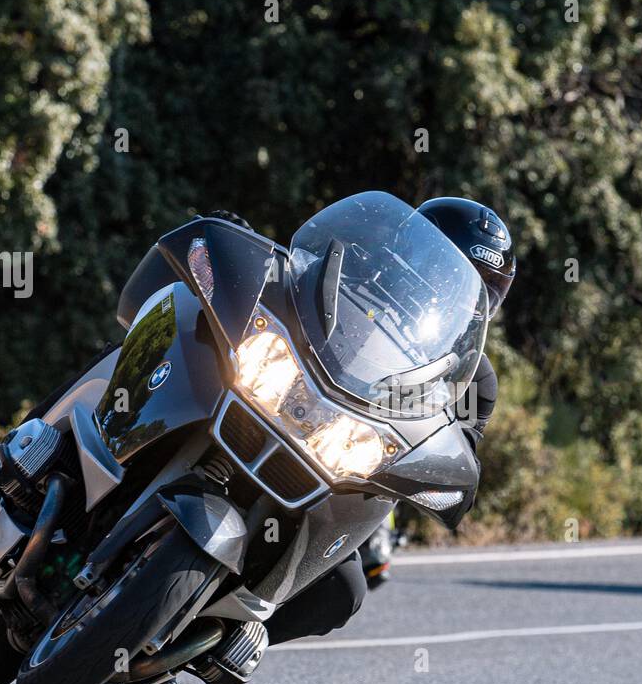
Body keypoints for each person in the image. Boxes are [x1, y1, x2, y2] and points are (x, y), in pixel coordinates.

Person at [221, 197, 515, 648]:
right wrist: (249, 247)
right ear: (417, 251)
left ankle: (225, 633)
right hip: (262, 395)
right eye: (458, 271)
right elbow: (290, 266)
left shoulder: (473, 376)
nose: (468, 291)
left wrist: (441, 471)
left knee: (346, 590)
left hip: (337, 469)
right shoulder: (349, 264)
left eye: (486, 286)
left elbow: (462, 450)